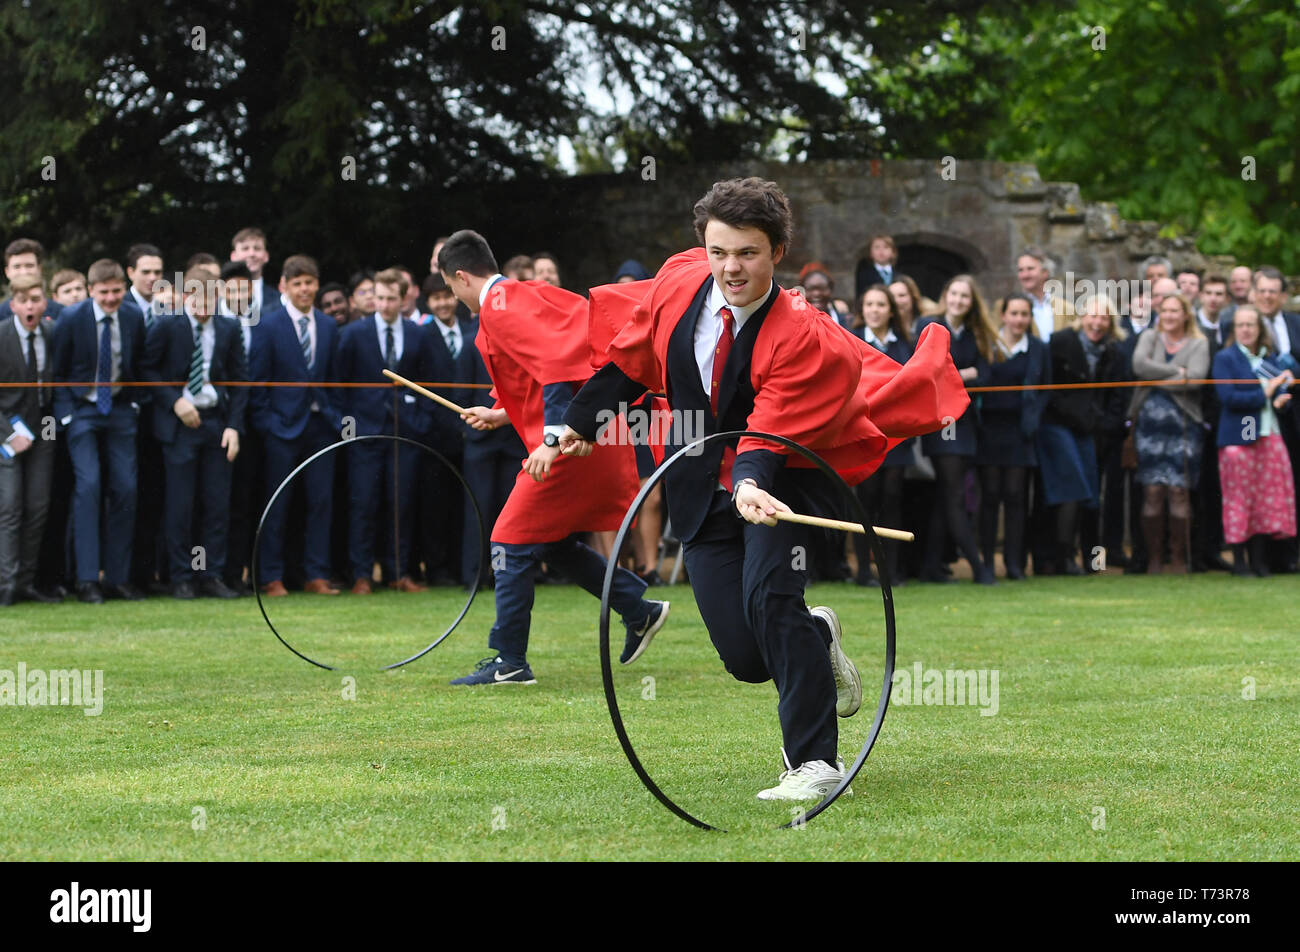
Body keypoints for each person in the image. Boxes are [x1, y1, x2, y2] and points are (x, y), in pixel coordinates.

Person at [559, 177, 967, 799]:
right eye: (719, 251)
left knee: (773, 601)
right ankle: (819, 635)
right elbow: (631, 356)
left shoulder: (799, 330)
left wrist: (751, 482)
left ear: (777, 252)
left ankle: (815, 764)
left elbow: (773, 423)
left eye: (747, 253)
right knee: (746, 659)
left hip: (785, 479)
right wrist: (579, 424)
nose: (731, 267)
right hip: (698, 485)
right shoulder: (677, 282)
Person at [437, 230, 668, 686]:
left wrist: (551, 437)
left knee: (506, 538)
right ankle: (637, 608)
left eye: (449, 287)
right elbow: (544, 371)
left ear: (461, 276)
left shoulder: (499, 308)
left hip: (574, 440)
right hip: (588, 433)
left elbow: (559, 365)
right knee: (548, 541)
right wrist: (502, 415)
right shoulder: (518, 297)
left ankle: (510, 661)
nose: (453, 295)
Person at [140, 265, 246, 599]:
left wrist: (233, 426)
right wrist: (174, 402)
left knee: (216, 504)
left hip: (215, 422)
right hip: (179, 425)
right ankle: (181, 576)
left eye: (211, 297)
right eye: (197, 297)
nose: (204, 305)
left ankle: (210, 574)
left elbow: (240, 382)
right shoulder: (167, 326)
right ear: (186, 296)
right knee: (180, 506)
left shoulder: (229, 328)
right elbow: (146, 369)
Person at [50, 259, 147, 603]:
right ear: (91, 290)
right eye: (104, 292)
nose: (111, 298)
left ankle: (118, 578)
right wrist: (65, 416)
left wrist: (134, 405)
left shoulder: (134, 316)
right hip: (82, 410)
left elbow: (140, 367)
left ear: (124, 288)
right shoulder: (71, 318)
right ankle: (87, 578)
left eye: (116, 291)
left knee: (127, 488)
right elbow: (56, 372)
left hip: (120, 409)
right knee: (88, 485)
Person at [249, 254, 344, 596]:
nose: (304, 289)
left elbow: (335, 380)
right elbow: (257, 382)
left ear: (317, 285)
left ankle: (315, 574)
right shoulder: (267, 325)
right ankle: (272, 576)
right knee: (279, 502)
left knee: (321, 502)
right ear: (284, 287)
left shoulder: (330, 326)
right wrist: (267, 424)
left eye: (309, 283)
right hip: (281, 427)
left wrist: (335, 419)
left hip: (321, 425)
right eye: (298, 283)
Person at [335, 268, 434, 593]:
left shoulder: (418, 334)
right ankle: (362, 574)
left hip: (405, 432)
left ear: (404, 298)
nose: (385, 304)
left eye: (392, 298)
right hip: (365, 432)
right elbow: (339, 385)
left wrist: (420, 421)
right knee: (363, 503)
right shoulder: (353, 333)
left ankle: (399, 572)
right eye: (379, 297)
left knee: (400, 504)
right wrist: (347, 426)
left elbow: (428, 384)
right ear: (372, 298)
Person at [914, 274, 998, 585]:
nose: (959, 300)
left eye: (965, 296)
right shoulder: (931, 326)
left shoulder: (975, 334)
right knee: (953, 496)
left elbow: (987, 374)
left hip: (967, 425)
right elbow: (927, 371)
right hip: (941, 424)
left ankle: (931, 566)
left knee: (945, 497)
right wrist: (967, 374)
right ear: (946, 295)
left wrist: (954, 374)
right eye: (955, 294)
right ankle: (979, 568)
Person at [1038, 294, 1127, 575]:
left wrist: (1100, 423)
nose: (1097, 323)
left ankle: (1088, 560)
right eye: (1093, 316)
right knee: (1071, 489)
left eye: (1104, 318)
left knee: (1089, 494)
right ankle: (1059, 557)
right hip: (1056, 426)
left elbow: (1115, 395)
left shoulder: (1113, 351)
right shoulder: (1061, 341)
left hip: (1090, 431)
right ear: (1082, 317)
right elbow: (1047, 386)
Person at [1128, 292, 1210, 574]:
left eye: (1176, 311)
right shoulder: (1149, 337)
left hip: (1184, 426)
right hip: (1148, 425)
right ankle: (1153, 558)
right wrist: (1177, 372)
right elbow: (1139, 366)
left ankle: (1177, 558)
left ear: (1186, 314)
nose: (1170, 316)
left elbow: (1196, 379)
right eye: (1165, 310)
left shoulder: (1199, 343)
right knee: (1152, 492)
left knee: (1179, 491)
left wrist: (1155, 378)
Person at [1213, 305, 1295, 576]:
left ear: (1259, 328)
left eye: (1251, 324)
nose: (1246, 330)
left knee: (1264, 500)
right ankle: (1239, 561)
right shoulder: (1226, 358)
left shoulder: (1269, 359)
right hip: (1242, 436)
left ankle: (1259, 561)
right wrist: (1265, 392)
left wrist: (1280, 400)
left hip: (1268, 434)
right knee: (1239, 499)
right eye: (1241, 325)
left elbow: (1275, 398)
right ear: (1233, 329)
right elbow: (1230, 399)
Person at [977, 294, 1049, 578]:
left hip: (1021, 432)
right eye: (1014, 313)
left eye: (1024, 314)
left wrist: (1033, 417)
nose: (1019, 319)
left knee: (1017, 497)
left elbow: (1046, 388)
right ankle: (986, 563)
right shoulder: (988, 344)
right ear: (1003, 315)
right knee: (991, 496)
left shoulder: (1038, 348)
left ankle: (1015, 563)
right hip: (989, 431)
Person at [0, 274, 59, 605]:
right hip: (6, 433)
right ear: (13, 305)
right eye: (24, 301)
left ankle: (25, 583)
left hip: (43, 433)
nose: (30, 306)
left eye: (36, 299)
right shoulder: (1, 336)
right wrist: (9, 434)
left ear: (44, 303)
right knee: (9, 508)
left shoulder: (51, 333)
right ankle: (5, 585)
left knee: (37, 508)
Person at [412, 272, 473, 585]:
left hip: (469, 433)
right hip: (434, 435)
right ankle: (437, 570)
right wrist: (425, 422)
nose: (443, 303)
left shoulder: (471, 330)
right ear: (428, 301)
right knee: (435, 505)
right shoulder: (420, 336)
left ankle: (464, 567)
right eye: (436, 298)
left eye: (447, 296)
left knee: (464, 504)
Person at [853, 285, 915, 587]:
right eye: (869, 304)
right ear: (862, 309)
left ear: (891, 310)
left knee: (892, 501)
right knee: (864, 502)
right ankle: (864, 571)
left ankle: (891, 571)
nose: (875, 309)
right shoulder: (849, 341)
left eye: (881, 304)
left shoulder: (905, 345)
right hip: (862, 435)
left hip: (896, 436)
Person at [1, 239, 63, 322]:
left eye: (29, 265)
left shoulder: (60, 312)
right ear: (7, 272)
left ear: (39, 269)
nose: (24, 272)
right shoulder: (1, 315)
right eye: (17, 266)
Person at [230, 227, 272, 318]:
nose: (252, 254)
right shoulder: (218, 298)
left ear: (266, 256)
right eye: (245, 249)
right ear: (233, 256)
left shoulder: (279, 299)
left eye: (257, 249)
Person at [799, 264, 853, 330]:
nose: (817, 294)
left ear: (831, 289)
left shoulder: (847, 322)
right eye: (810, 289)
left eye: (822, 288)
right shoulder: (795, 323)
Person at [887, 274, 932, 340]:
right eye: (892, 296)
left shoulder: (928, 325)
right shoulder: (886, 330)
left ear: (913, 297)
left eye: (902, 295)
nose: (896, 301)